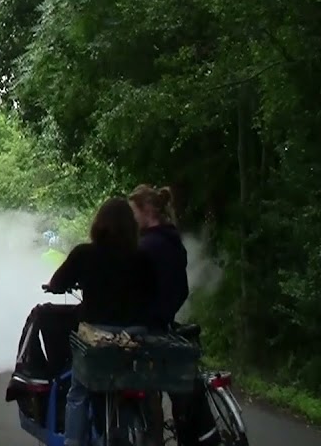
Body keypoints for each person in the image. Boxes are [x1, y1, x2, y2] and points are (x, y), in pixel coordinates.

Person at [46, 198, 156, 446]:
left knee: (79, 390)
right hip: (133, 336)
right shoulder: (143, 258)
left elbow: (57, 282)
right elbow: (153, 294)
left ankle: (73, 441)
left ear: (99, 224)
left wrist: (55, 288)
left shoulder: (85, 253)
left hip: (97, 335)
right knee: (127, 384)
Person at [129, 184, 190, 446]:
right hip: (165, 323)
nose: (132, 219)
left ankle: (151, 439)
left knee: (144, 388)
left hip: (147, 326)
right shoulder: (174, 241)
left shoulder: (145, 246)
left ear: (147, 211)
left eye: (134, 212)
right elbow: (182, 289)